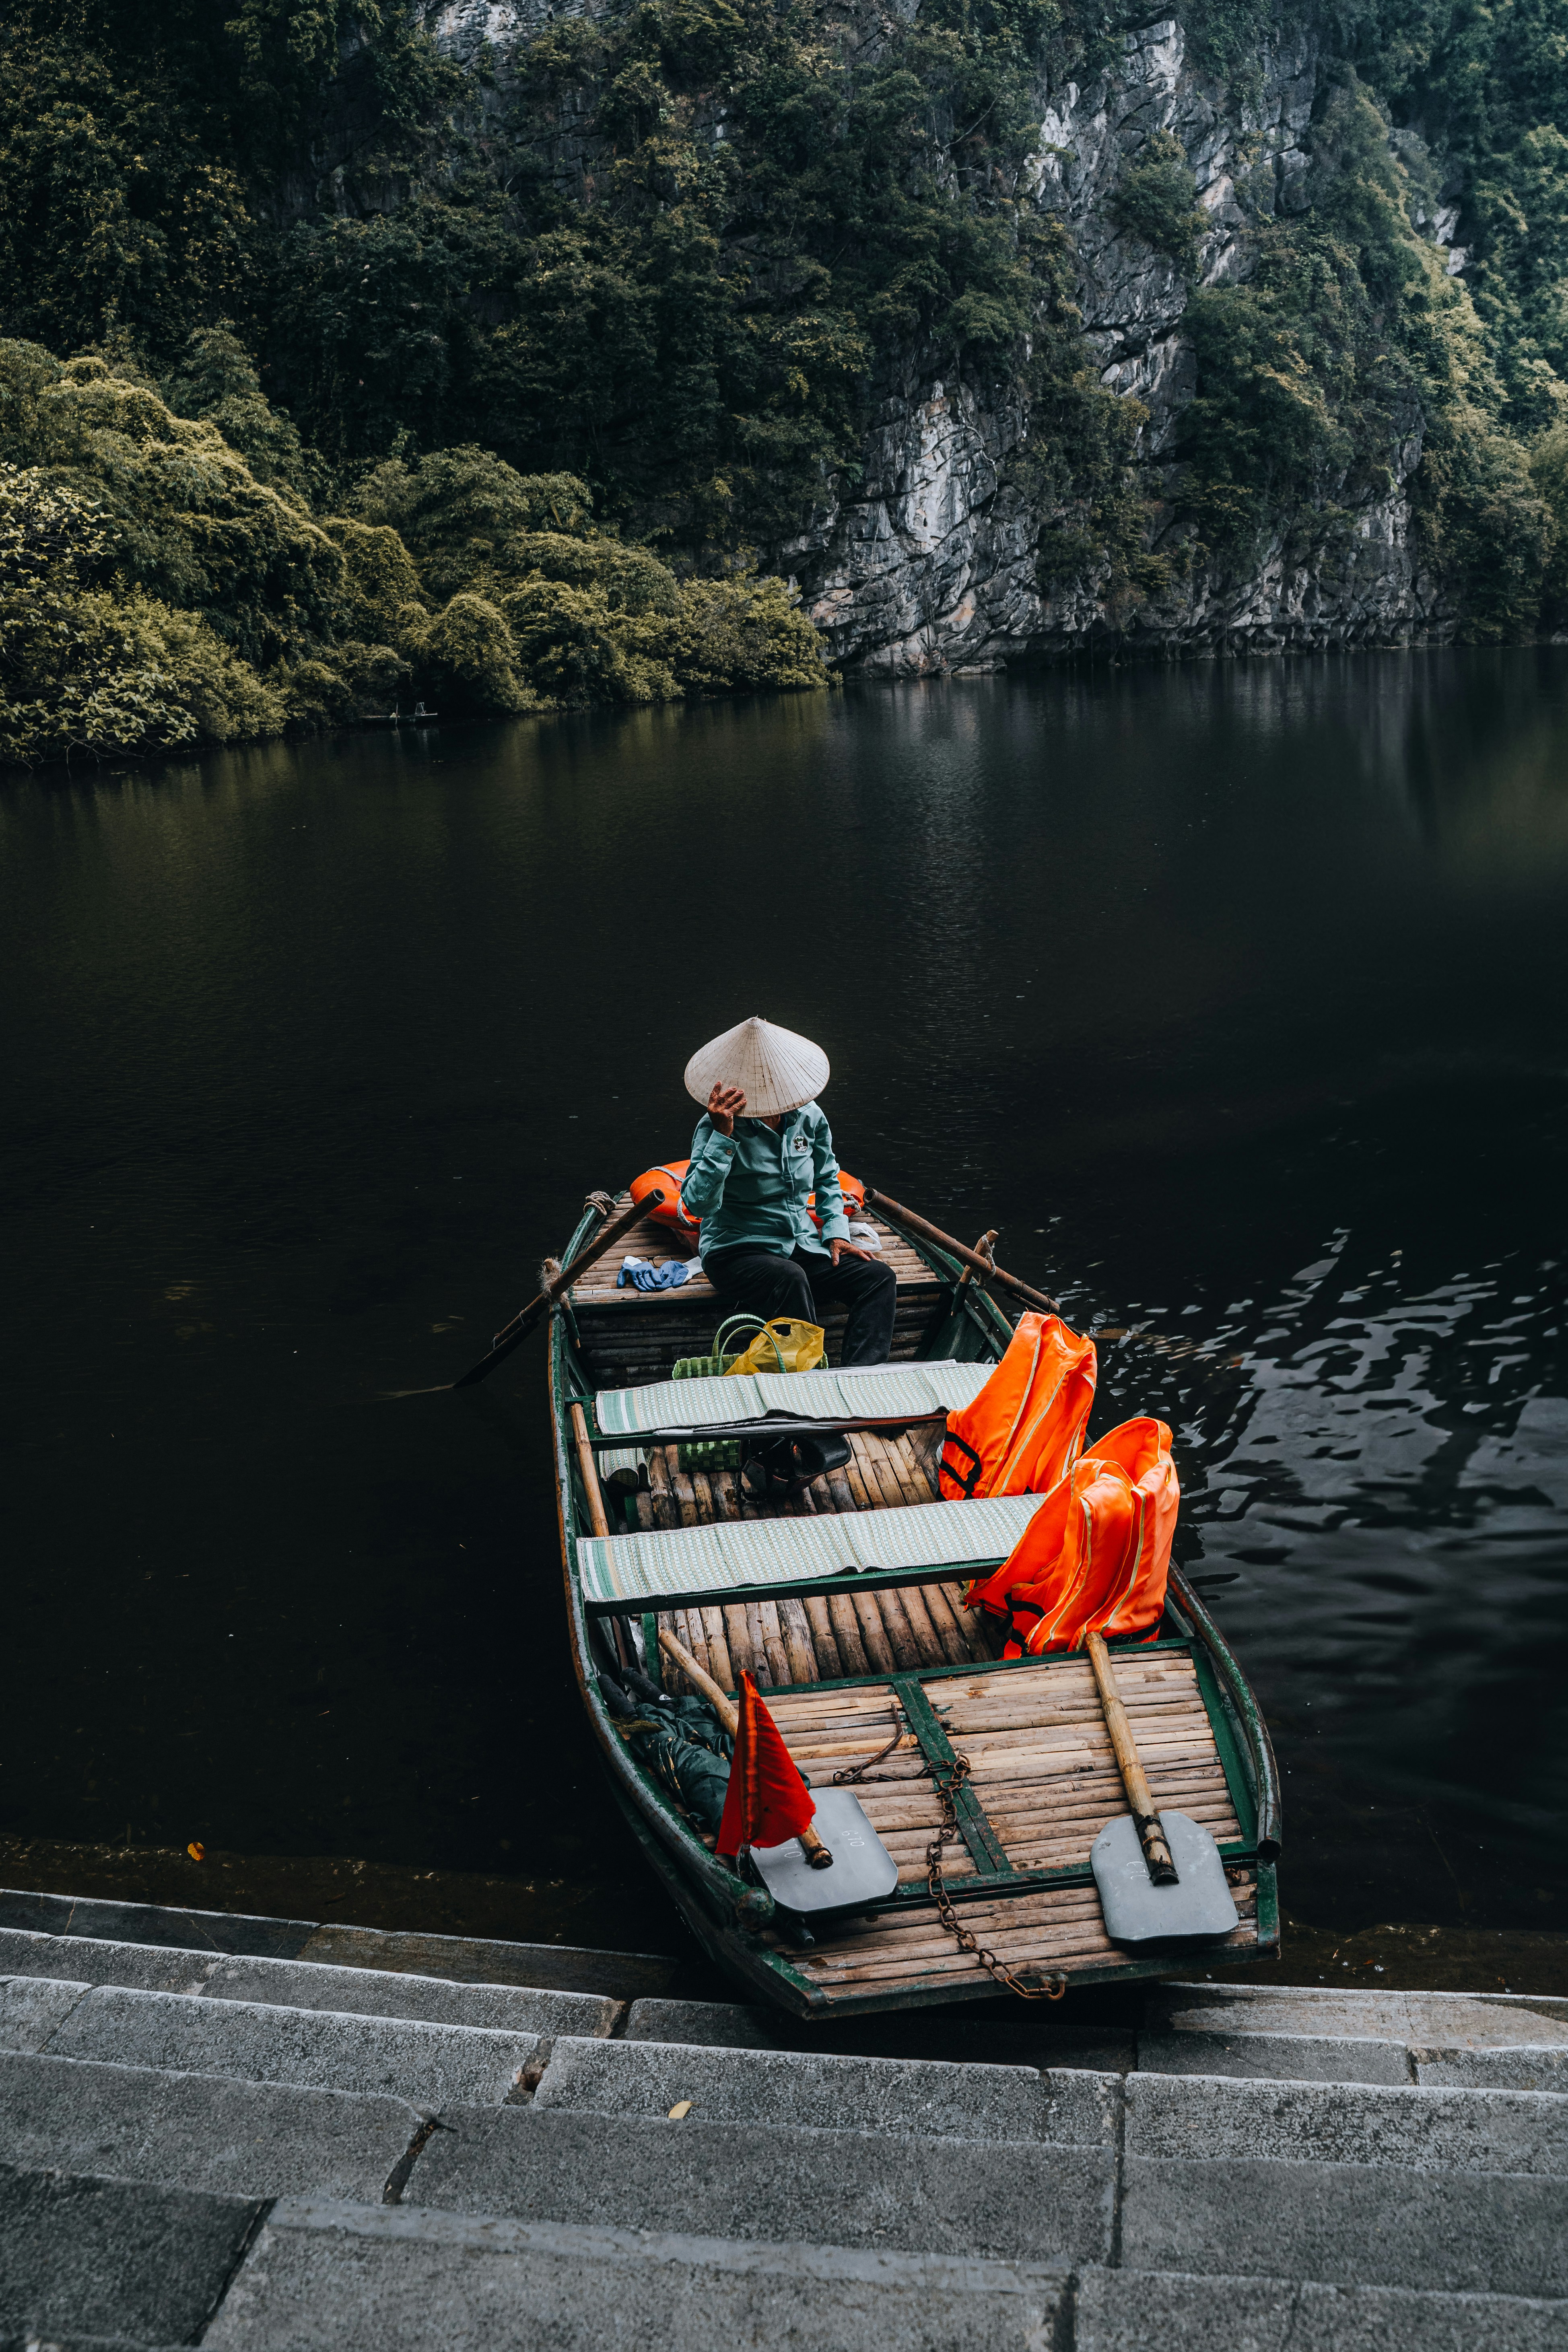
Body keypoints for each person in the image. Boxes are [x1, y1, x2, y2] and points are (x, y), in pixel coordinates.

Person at [680, 1016, 896, 1367]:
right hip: (736, 1252)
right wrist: (723, 1137)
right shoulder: (716, 1124)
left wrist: (835, 1233)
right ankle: (804, 1383)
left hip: (800, 1244)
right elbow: (697, 1203)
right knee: (789, 1277)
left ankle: (862, 1376)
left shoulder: (809, 1116)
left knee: (878, 1278)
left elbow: (828, 1177)